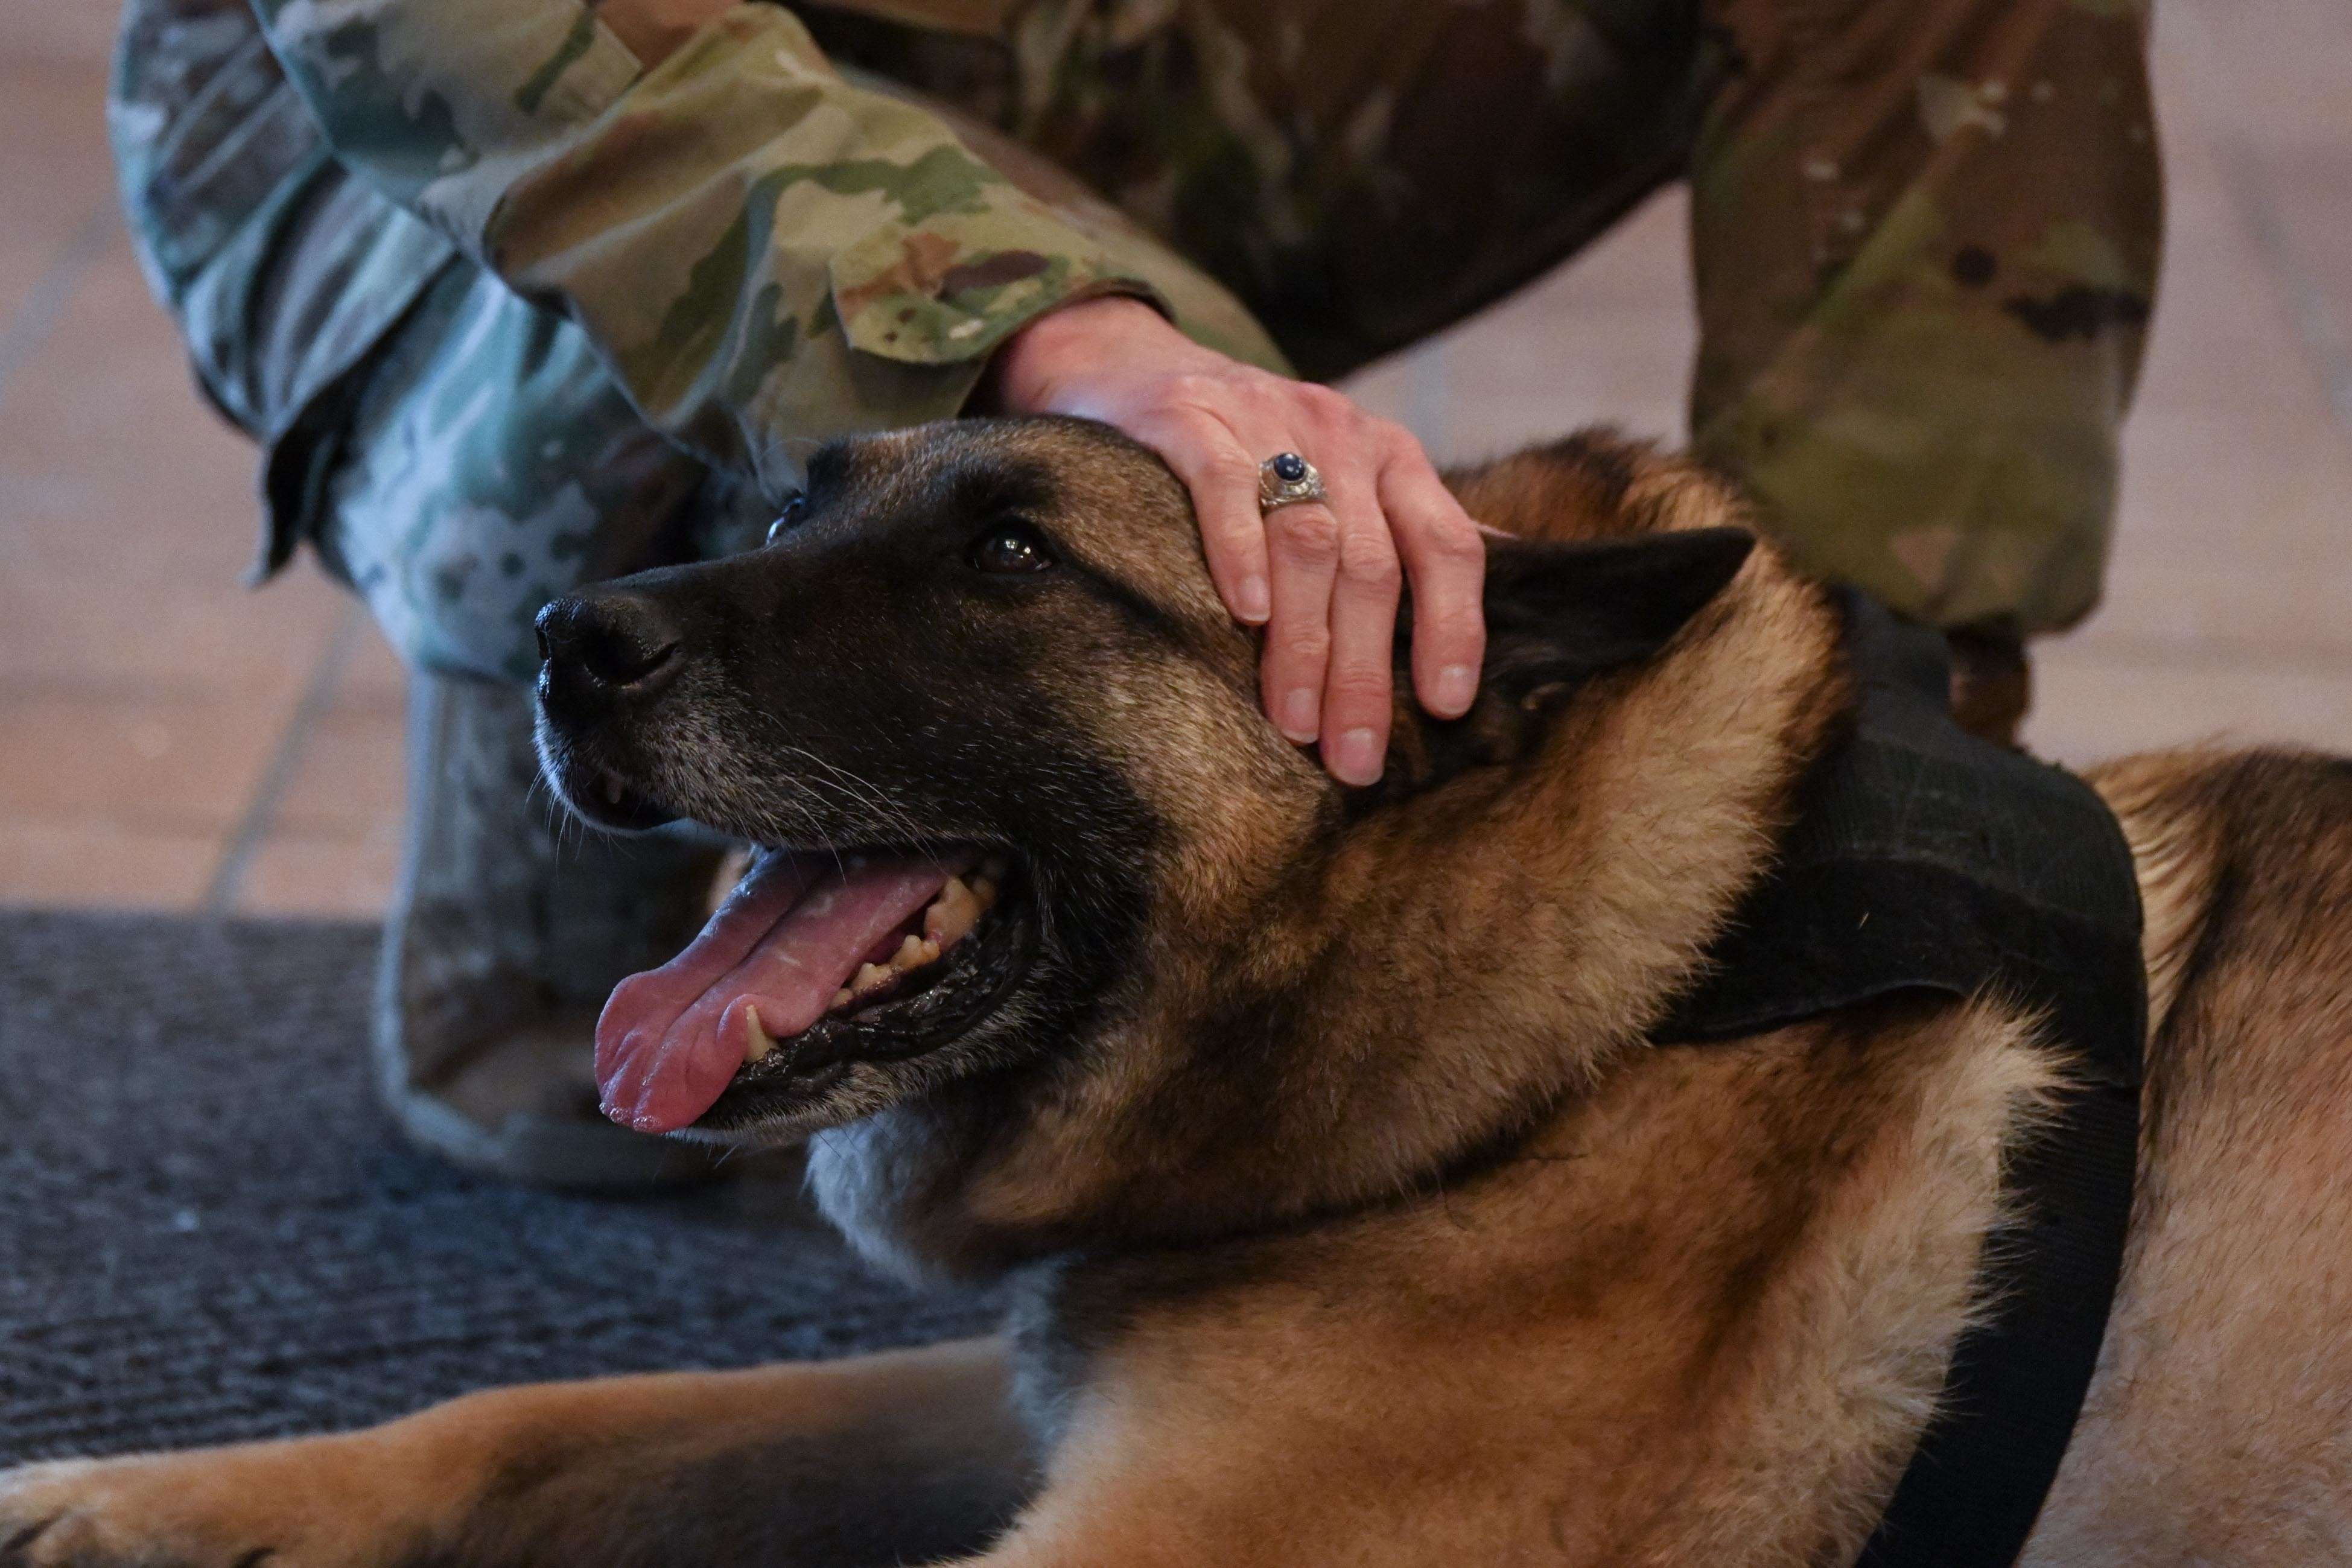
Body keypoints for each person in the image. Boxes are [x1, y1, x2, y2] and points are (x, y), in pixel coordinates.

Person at [108, 0, 2160, 1189]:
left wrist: (1763, 765)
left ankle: (1846, 822)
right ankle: (576, 669)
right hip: (437, 108)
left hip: (1083, 44)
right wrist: (1050, 330)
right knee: (596, 1116)